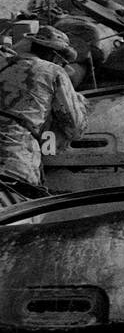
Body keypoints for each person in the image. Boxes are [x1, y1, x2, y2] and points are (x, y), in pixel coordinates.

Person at [0, 26, 87, 206]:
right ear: (56, 56)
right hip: (14, 165)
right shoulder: (53, 71)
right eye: (63, 61)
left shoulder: (4, 64)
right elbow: (75, 128)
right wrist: (79, 103)